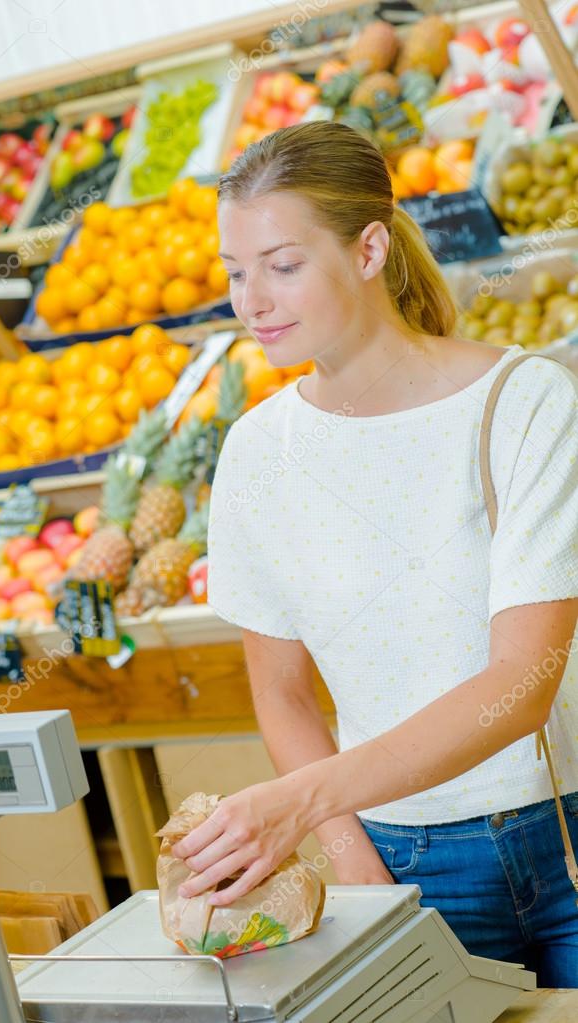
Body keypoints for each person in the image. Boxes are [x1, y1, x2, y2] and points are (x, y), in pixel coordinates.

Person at [169, 122, 578, 986]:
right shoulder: (254, 453)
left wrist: (302, 802)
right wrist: (357, 869)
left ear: (368, 249)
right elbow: (279, 692)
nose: (253, 301)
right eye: (235, 273)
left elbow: (521, 683)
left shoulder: (525, 402)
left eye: (282, 265)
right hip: (402, 862)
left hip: (566, 828)